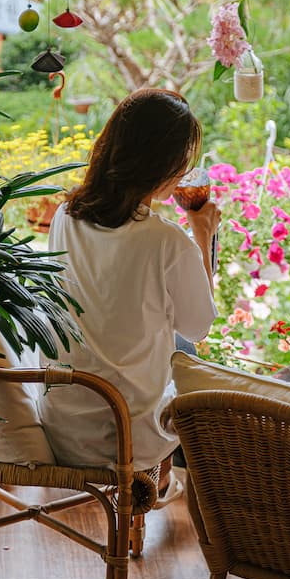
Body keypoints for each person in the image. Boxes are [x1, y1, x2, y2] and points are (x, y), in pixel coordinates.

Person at [38, 88, 219, 484]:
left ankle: (161, 485)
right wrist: (203, 237)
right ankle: (158, 488)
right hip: (126, 437)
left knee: (174, 344)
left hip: (64, 422)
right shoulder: (166, 241)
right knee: (191, 355)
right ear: (164, 164)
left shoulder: (66, 215)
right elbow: (199, 326)